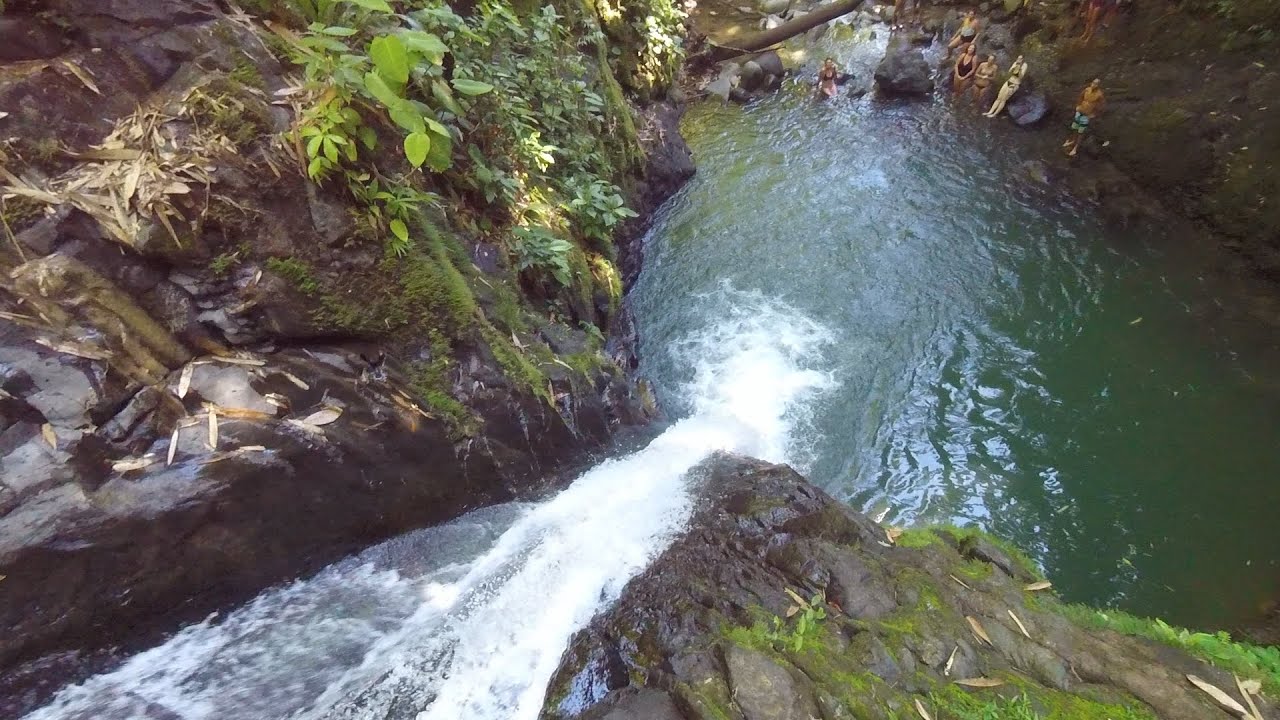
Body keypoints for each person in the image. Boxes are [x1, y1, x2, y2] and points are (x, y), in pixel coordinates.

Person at [1063, 78, 1105, 156]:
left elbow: (1102, 106)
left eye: (1096, 84)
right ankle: (1072, 141)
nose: (1093, 85)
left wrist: (1094, 114)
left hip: (1086, 115)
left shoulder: (1099, 94)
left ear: (1098, 85)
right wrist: (1078, 106)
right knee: (1074, 127)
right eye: (1093, 83)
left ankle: (1075, 148)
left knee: (1080, 132)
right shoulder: (1087, 90)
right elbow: (1080, 97)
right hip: (1079, 112)